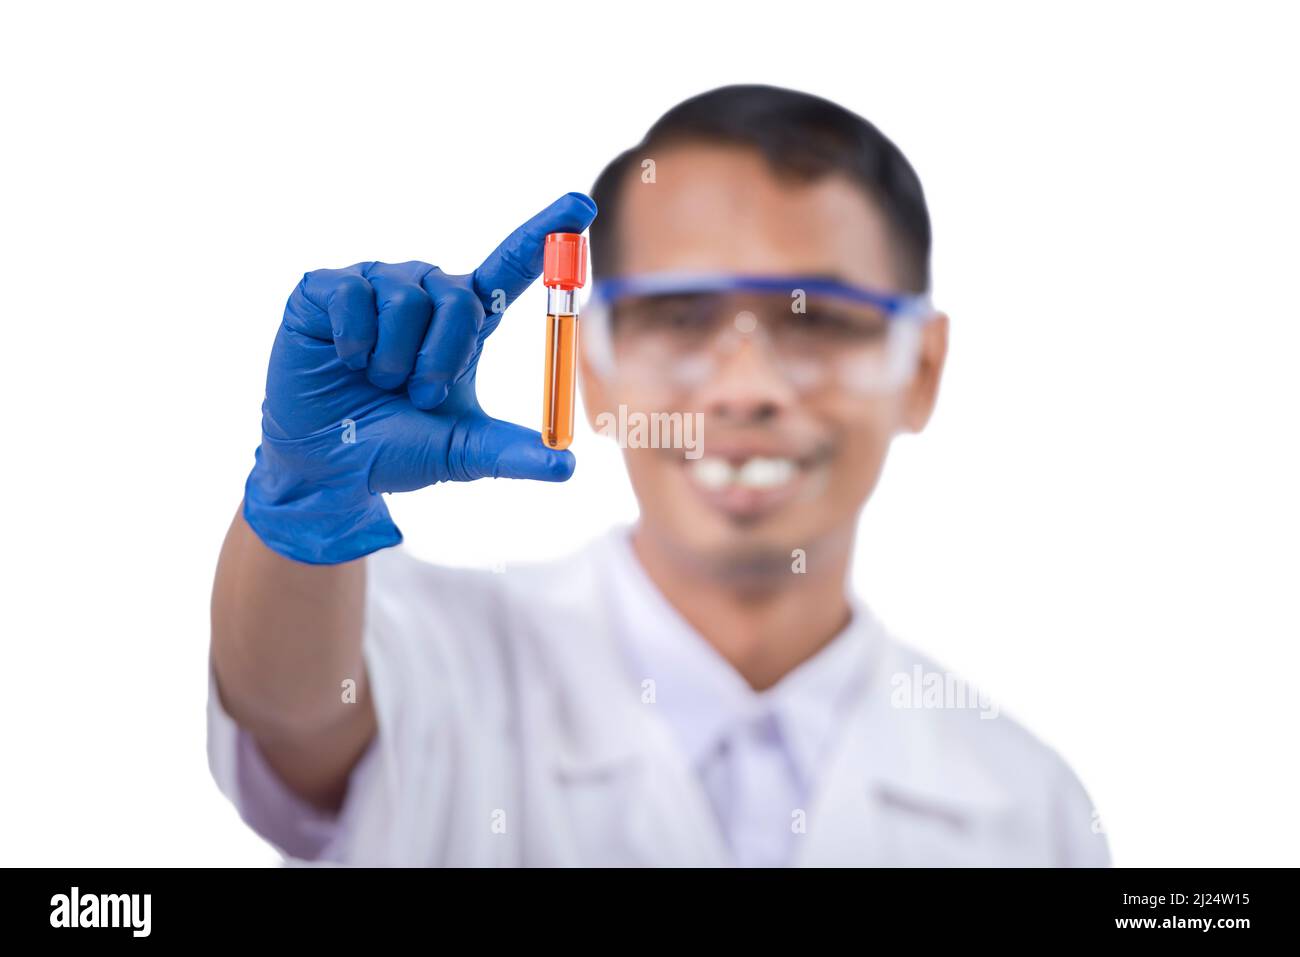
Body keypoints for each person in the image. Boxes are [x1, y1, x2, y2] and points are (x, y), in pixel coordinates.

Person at [208, 84, 1109, 866]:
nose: (747, 388)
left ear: (920, 369)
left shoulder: (1034, 812)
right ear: (591, 370)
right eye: (680, 317)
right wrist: (303, 507)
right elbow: (292, 711)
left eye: (818, 320)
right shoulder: (442, 662)